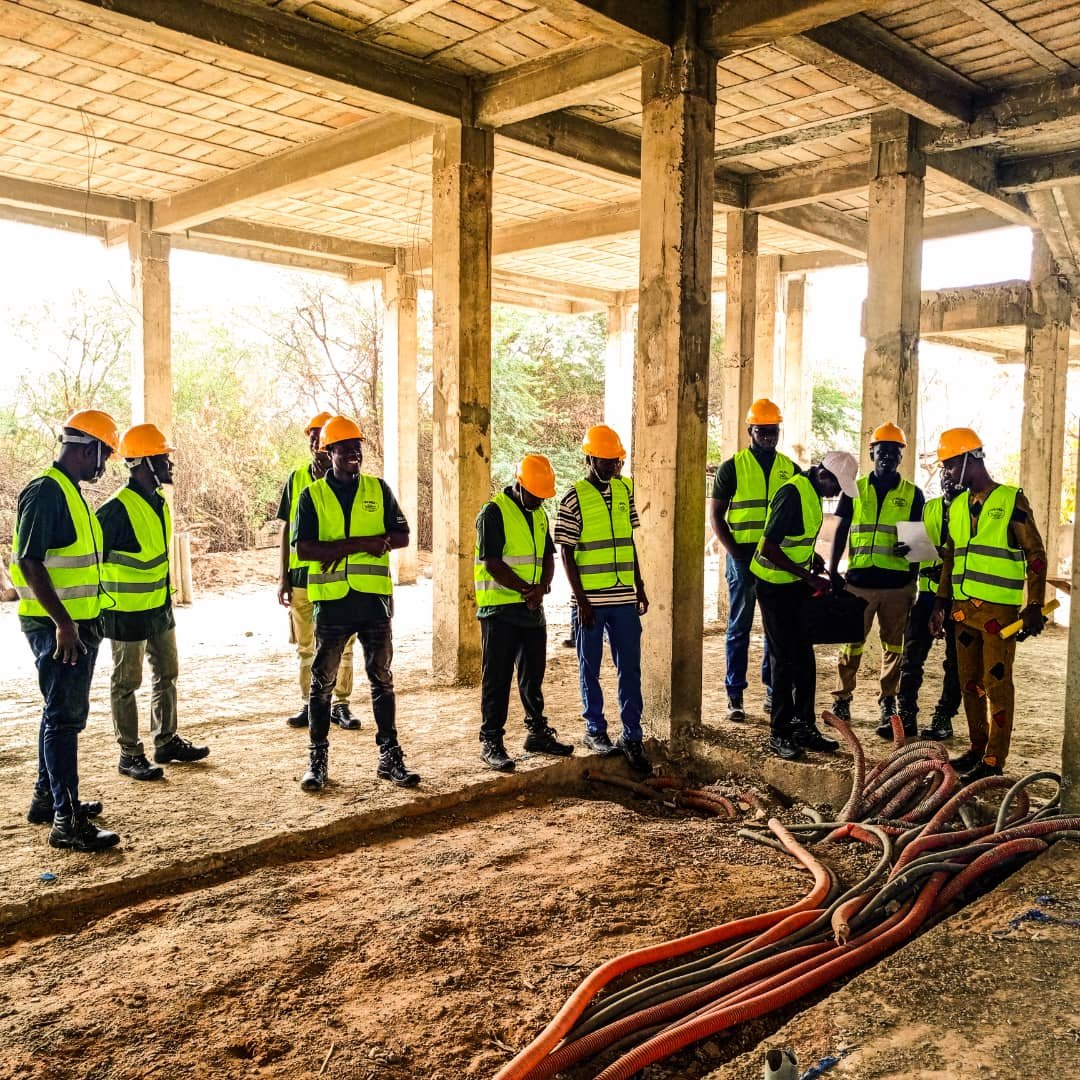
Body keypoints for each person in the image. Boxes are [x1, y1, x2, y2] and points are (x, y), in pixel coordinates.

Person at [10, 410, 121, 852]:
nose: (105, 465)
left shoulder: (69, 493)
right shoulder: (47, 492)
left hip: (72, 626)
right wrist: (64, 624)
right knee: (63, 719)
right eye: (105, 454)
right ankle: (66, 819)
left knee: (58, 712)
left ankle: (47, 798)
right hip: (58, 629)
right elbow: (28, 562)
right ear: (88, 447)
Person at [292, 415, 419, 791]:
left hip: (373, 603)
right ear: (328, 452)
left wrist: (362, 544)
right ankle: (317, 761)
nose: (353, 453)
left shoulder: (378, 490)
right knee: (322, 684)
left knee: (382, 680)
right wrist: (359, 544)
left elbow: (402, 535)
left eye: (357, 447)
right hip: (332, 604)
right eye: (345, 448)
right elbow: (304, 548)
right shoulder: (311, 496)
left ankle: (390, 756)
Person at [930, 428, 1047, 782]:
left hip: (998, 614)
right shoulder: (960, 507)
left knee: (996, 683)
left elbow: (1036, 555)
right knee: (969, 683)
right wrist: (940, 603)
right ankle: (978, 748)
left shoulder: (1011, 501)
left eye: (950, 466)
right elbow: (951, 557)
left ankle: (995, 759)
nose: (947, 474)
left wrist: (1035, 605)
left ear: (971, 458)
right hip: (964, 613)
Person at [99, 423, 209, 782]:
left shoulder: (158, 502)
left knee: (168, 673)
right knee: (126, 682)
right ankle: (129, 754)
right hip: (126, 613)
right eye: (163, 458)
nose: (170, 464)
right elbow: (92, 562)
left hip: (159, 609)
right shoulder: (114, 511)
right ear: (144, 462)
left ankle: (166, 741)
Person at [555, 424, 650, 774]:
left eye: (617, 461)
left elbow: (628, 541)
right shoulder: (573, 497)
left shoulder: (626, 490)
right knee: (589, 667)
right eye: (607, 461)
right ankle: (595, 730)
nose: (613, 467)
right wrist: (581, 602)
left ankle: (632, 735)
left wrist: (639, 585)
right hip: (591, 601)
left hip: (624, 596)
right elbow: (565, 552)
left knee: (630, 669)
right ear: (590, 458)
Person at [751, 452, 858, 760]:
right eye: (837, 487)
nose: (836, 494)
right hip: (772, 587)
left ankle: (804, 725)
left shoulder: (812, 494)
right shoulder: (792, 493)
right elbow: (770, 548)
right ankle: (780, 732)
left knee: (803, 657)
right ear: (824, 475)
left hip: (792, 584)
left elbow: (794, 543)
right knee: (783, 658)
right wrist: (809, 578)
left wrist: (813, 562)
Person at [474, 454, 573, 771]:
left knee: (533, 675)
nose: (538, 500)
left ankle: (537, 732)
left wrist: (542, 587)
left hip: (530, 608)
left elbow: (547, 555)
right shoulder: (494, 512)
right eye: (534, 494)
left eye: (543, 496)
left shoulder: (539, 512)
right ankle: (491, 741)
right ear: (519, 485)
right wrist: (524, 590)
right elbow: (492, 563)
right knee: (497, 678)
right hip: (499, 609)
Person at [828, 423, 924, 738]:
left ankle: (888, 700)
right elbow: (841, 530)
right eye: (881, 451)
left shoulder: (913, 494)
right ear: (872, 453)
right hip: (858, 582)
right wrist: (833, 571)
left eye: (893, 451)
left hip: (897, 585)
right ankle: (842, 698)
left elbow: (920, 541)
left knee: (894, 645)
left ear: (900, 455)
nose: (887, 456)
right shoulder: (854, 488)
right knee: (851, 642)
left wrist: (912, 576)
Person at [709, 398, 799, 722]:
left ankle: (773, 690)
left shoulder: (790, 469)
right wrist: (735, 553)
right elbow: (717, 516)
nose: (768, 436)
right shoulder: (732, 467)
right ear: (750, 430)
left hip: (775, 562)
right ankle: (735, 694)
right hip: (743, 560)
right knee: (739, 628)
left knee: (774, 630)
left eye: (773, 431)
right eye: (762, 431)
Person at [277, 411, 357, 731]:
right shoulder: (296, 479)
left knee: (343, 645)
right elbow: (286, 530)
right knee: (307, 647)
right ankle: (310, 703)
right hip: (301, 577)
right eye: (312, 436)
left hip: (338, 578)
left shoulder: (350, 481)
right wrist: (282, 576)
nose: (315, 442)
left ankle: (341, 704)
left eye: (321, 438)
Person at [895, 472, 962, 740]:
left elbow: (969, 551)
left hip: (958, 595)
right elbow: (920, 544)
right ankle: (906, 714)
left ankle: (944, 716)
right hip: (927, 594)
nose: (948, 480)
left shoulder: (972, 508)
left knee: (955, 661)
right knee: (912, 655)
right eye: (944, 475)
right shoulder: (931, 506)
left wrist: (945, 559)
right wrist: (909, 550)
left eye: (952, 475)